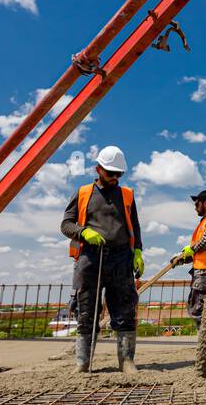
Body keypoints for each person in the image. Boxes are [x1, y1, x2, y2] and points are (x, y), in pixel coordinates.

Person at [60, 145, 144, 373]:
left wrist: (137, 251)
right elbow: (66, 225)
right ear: (98, 169)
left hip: (120, 260)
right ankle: (83, 363)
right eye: (111, 173)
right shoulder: (83, 192)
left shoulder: (127, 195)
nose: (115, 178)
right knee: (86, 311)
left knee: (125, 311)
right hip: (90, 259)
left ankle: (126, 361)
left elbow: (134, 226)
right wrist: (83, 232)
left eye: (119, 174)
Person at [173, 189, 206, 322]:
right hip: (203, 271)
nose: (195, 208)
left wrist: (190, 250)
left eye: (197, 204)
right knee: (200, 309)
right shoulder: (205, 221)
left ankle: (205, 343)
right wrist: (184, 258)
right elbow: (202, 250)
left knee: (200, 310)